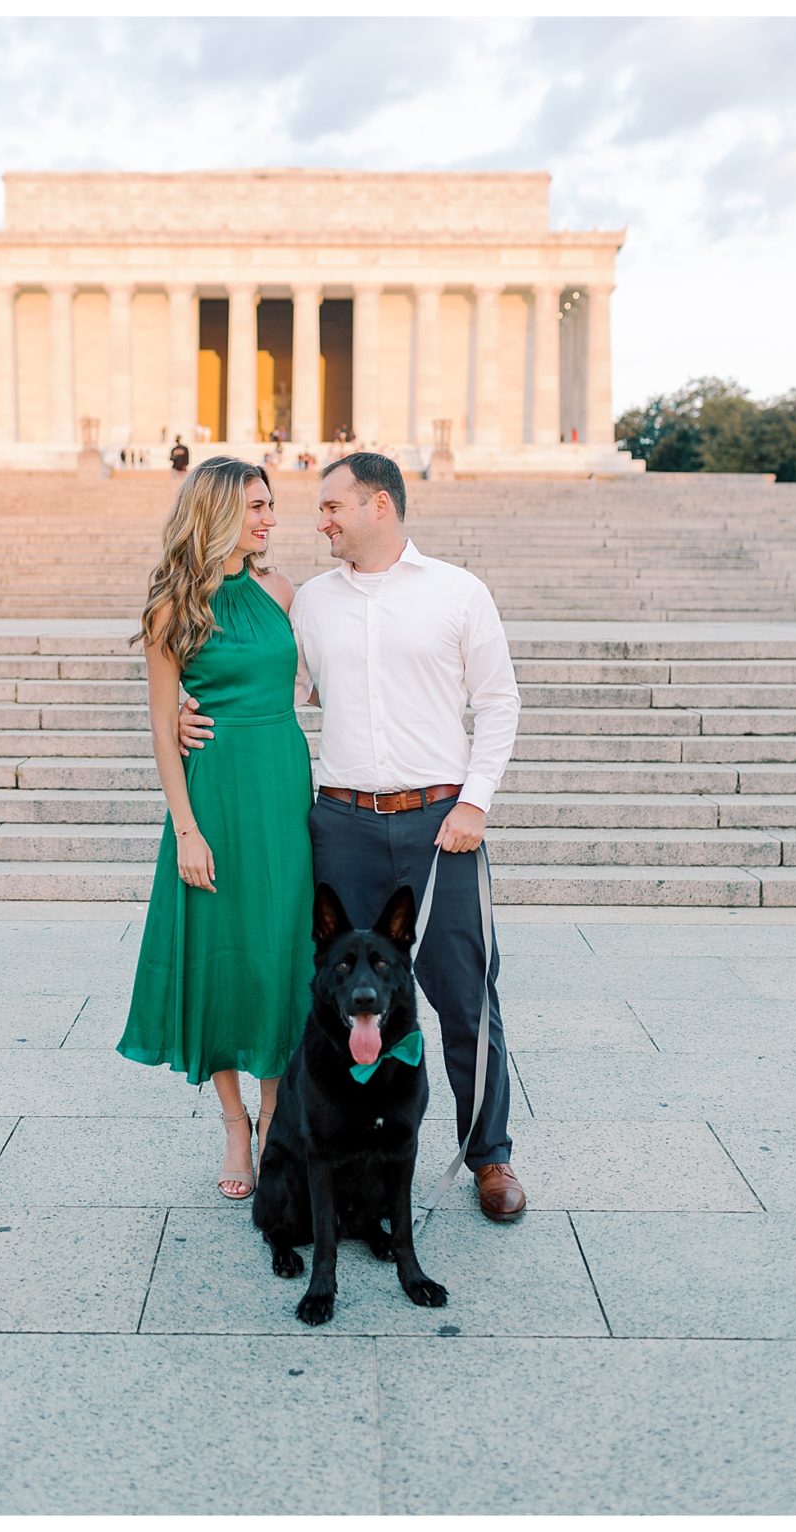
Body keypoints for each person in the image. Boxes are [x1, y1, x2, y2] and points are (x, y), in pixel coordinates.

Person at [180, 451, 525, 1220]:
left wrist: (475, 804)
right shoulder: (310, 604)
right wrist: (186, 708)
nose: (319, 520)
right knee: (334, 999)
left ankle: (490, 1158)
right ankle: (324, 1147)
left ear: (378, 506)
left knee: (466, 996)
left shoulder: (457, 593)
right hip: (338, 826)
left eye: (332, 506)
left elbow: (500, 703)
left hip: (442, 824)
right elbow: (271, 688)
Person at [118, 456, 312, 1200]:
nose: (268, 518)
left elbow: (320, 678)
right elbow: (164, 731)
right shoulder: (173, 605)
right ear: (216, 511)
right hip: (215, 793)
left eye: (270, 505)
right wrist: (187, 830)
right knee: (223, 956)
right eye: (254, 506)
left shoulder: (283, 591)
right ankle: (235, 1122)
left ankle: (273, 1115)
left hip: (282, 784)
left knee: (277, 950)